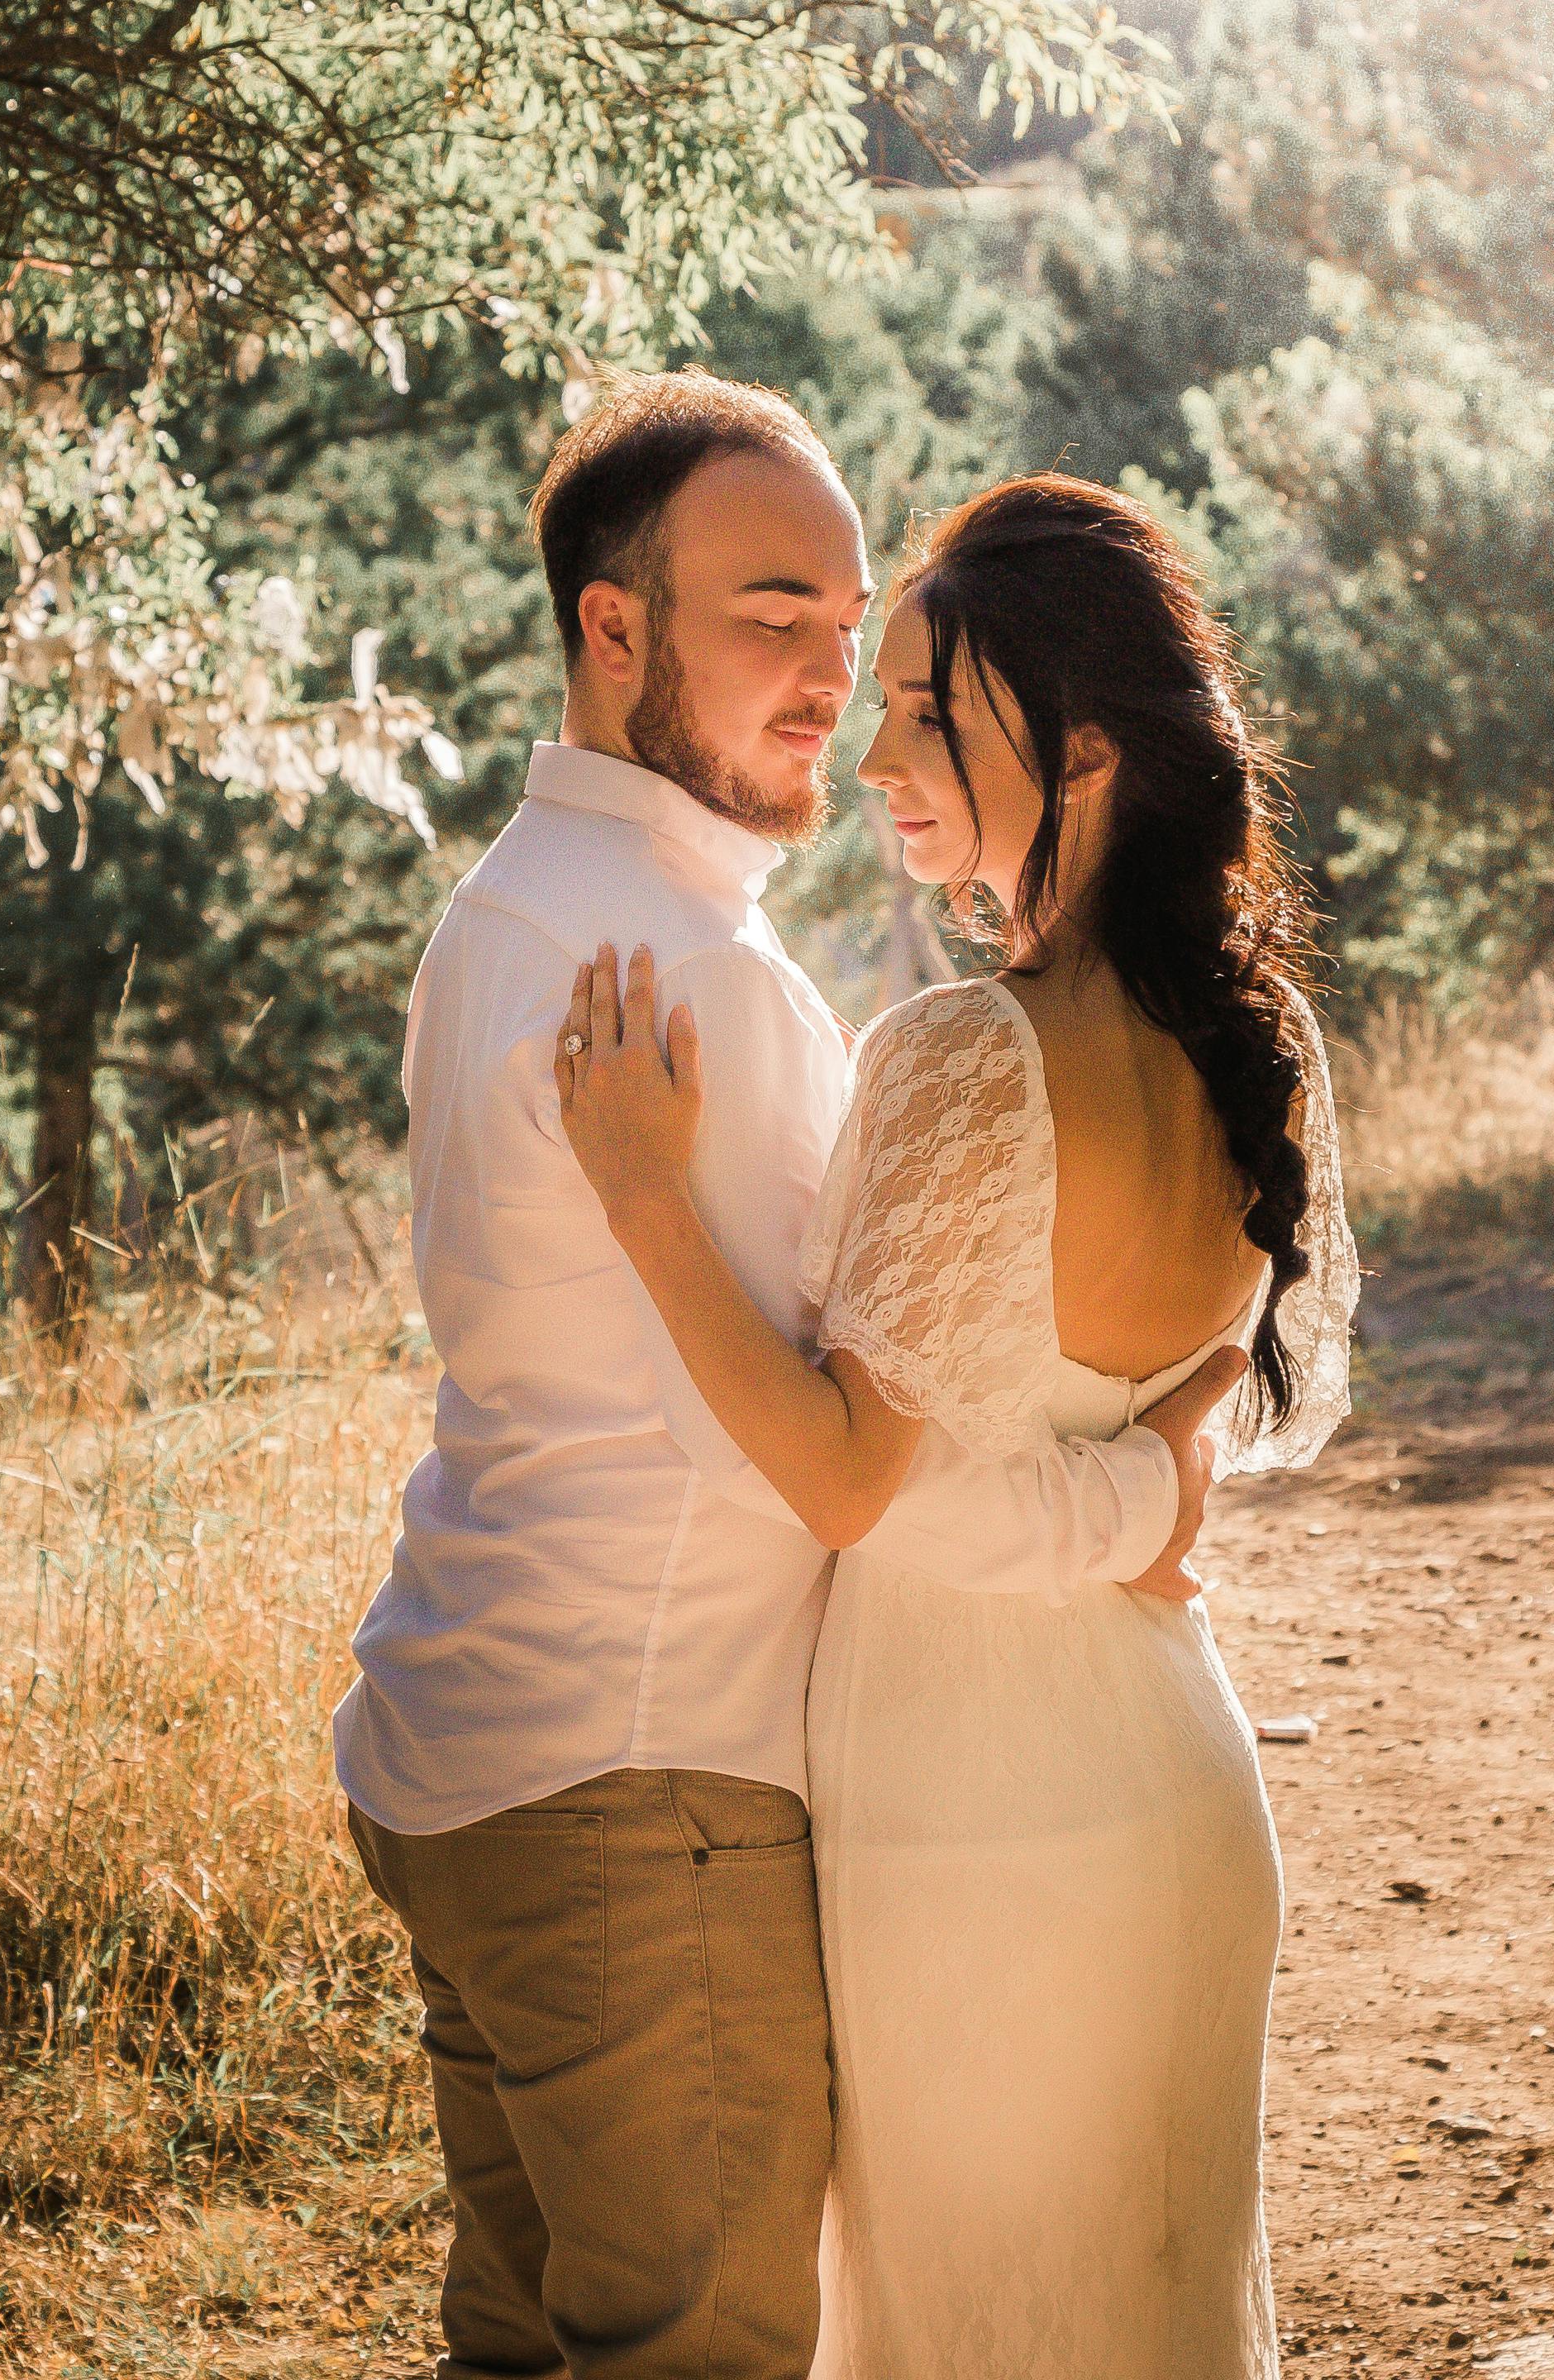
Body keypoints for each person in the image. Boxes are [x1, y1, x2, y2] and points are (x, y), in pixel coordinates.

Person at [331, 379, 1248, 2380]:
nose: (834, 676)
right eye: (774, 616)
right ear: (614, 628)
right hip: (643, 1785)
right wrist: (1145, 1491)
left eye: (855, 629)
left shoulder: (497, 919)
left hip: (466, 1747)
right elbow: (839, 1455)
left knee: (526, 2344)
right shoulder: (701, 987)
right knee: (703, 2351)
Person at [560, 471, 1357, 2380]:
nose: (875, 747)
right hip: (1171, 1788)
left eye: (928, 711)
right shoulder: (1262, 1041)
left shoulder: (960, 1054)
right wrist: (1139, 1480)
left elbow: (849, 1476)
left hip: (977, 1827)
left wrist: (645, 1194)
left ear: (1080, 751)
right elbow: (1195, 1428)